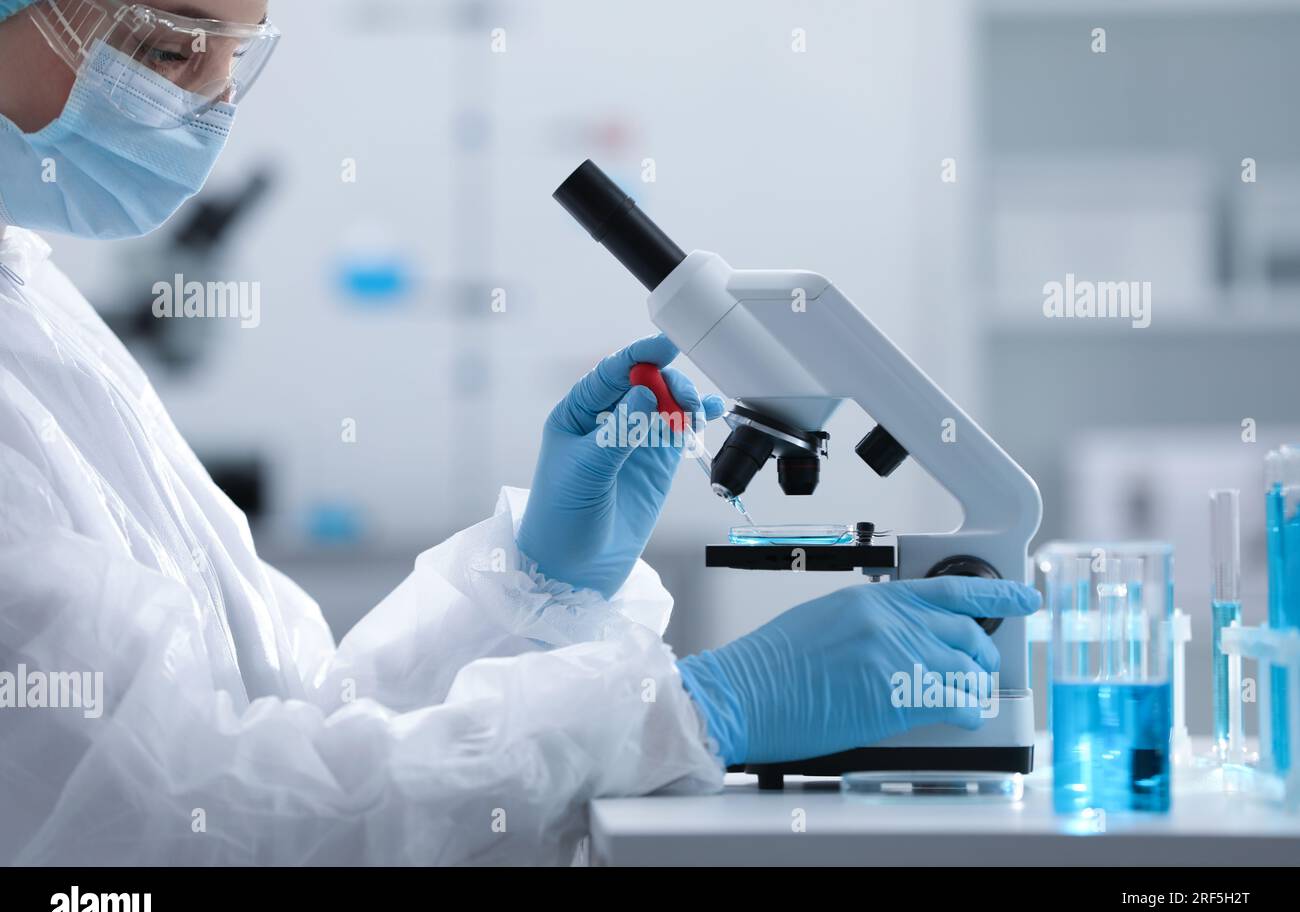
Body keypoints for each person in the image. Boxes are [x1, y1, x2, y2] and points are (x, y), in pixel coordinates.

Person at [0, 0, 1040, 866]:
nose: (208, 106)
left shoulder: (32, 301)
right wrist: (695, 710)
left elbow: (302, 726)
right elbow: (192, 822)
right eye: (172, 50)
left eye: (238, 60)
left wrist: (537, 583)